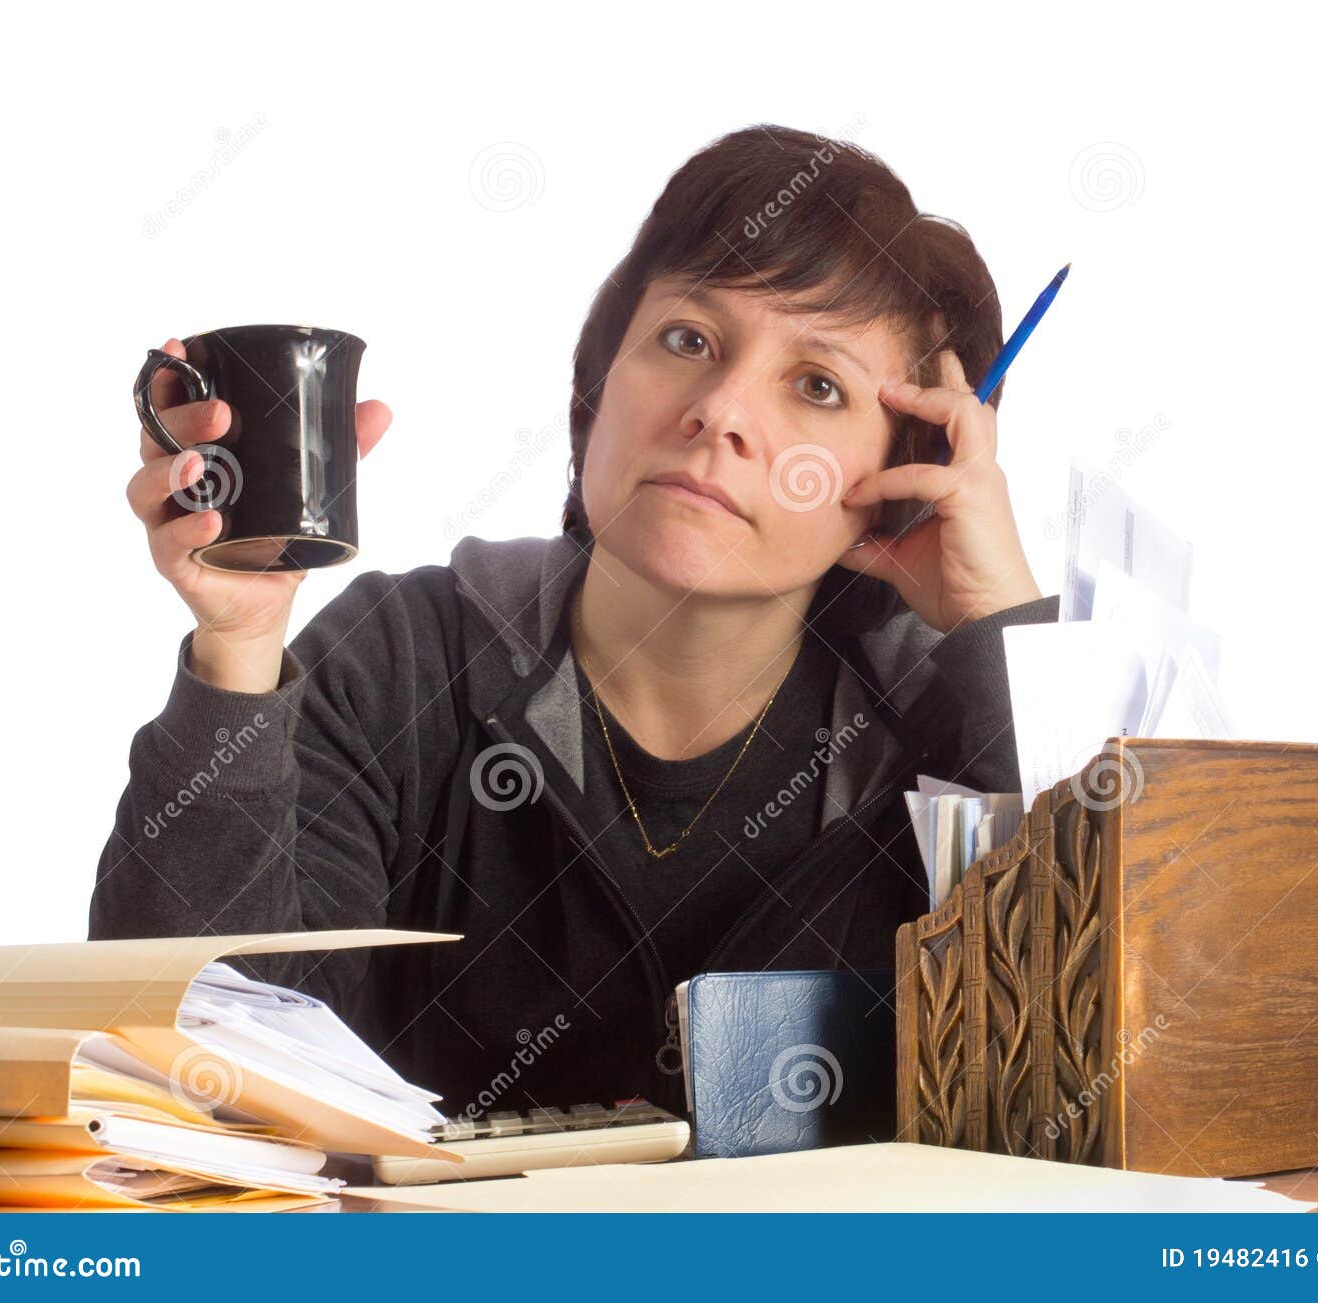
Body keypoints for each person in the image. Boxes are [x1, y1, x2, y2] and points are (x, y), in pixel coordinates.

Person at [91, 123, 1059, 1118]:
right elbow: (205, 1080)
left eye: (817, 385)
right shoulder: (403, 658)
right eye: (687, 340)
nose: (718, 408)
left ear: (900, 478)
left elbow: (1105, 1071)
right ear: (597, 388)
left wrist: (1005, 627)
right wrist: (239, 649)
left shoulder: (943, 720)